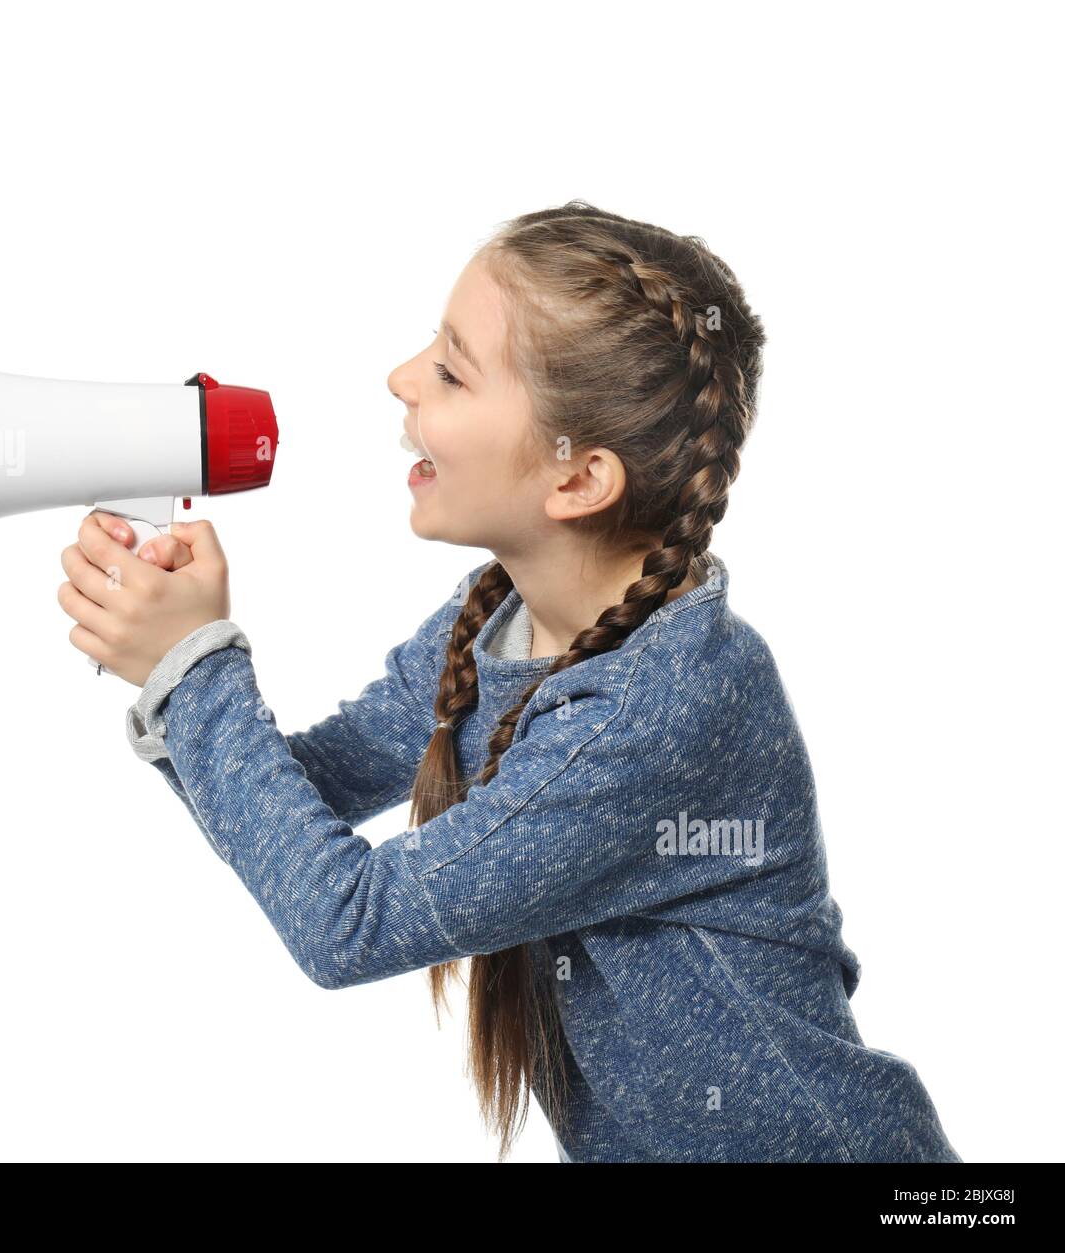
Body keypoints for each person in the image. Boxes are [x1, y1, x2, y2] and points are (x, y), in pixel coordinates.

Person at [57, 200, 960, 1164]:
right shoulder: (494, 619)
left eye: (451, 369)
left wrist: (195, 669)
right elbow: (292, 810)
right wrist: (170, 670)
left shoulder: (659, 708)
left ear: (578, 480)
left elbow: (345, 922)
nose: (400, 378)